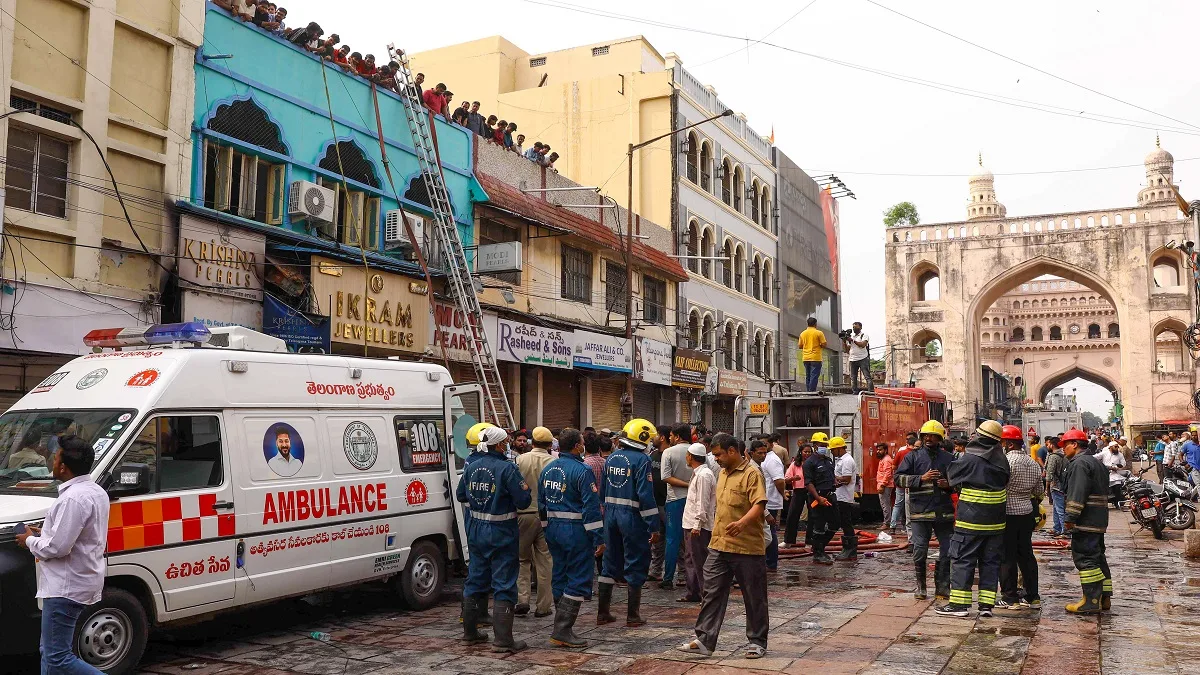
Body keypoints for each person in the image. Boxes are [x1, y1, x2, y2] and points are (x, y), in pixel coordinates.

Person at [15, 435, 109, 675]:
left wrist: (29, 540)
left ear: (63, 466)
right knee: (49, 653)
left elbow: (58, 548)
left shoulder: (73, 499)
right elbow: (77, 535)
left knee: (58, 658)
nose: (52, 462)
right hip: (79, 580)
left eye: (55, 457)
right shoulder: (95, 492)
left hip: (66, 587)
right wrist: (44, 532)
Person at [677, 433, 770, 660]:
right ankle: (705, 640)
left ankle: (757, 641)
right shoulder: (723, 474)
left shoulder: (752, 474)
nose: (715, 458)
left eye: (718, 454)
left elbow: (759, 505)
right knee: (711, 591)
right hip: (720, 544)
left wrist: (742, 523)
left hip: (746, 546)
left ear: (732, 451)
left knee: (753, 594)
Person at [456, 426, 532, 652]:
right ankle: (503, 640)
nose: (507, 445)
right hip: (501, 531)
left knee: (476, 579)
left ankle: (470, 634)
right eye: (506, 442)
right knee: (504, 583)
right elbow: (524, 501)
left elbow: (461, 495)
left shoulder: (472, 465)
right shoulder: (507, 469)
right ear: (499, 445)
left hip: (477, 530)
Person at [537, 428, 603, 648]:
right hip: (576, 532)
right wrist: (598, 539)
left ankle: (561, 626)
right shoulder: (582, 471)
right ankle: (562, 629)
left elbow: (541, 504)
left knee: (560, 575)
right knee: (578, 578)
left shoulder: (548, 469)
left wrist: (547, 530)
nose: (583, 444)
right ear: (577, 445)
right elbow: (591, 509)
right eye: (582, 442)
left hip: (554, 530)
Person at [937, 421, 1010, 619]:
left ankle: (959, 605)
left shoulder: (969, 459)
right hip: (996, 523)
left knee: (962, 560)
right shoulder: (1002, 460)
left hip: (970, 520)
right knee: (990, 562)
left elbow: (951, 477)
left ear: (979, 436)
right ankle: (986, 606)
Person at [597, 419, 661, 627]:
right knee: (636, 561)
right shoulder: (642, 460)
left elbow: (603, 492)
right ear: (642, 438)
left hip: (611, 516)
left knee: (609, 562)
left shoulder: (612, 457)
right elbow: (646, 496)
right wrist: (653, 525)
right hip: (632, 517)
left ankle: (603, 613)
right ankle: (633, 615)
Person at [895, 421, 956, 600]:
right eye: (926, 436)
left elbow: (959, 482)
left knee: (948, 549)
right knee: (920, 549)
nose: (929, 439)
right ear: (922, 437)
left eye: (933, 436)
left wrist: (948, 484)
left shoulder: (949, 459)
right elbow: (898, 479)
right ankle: (921, 587)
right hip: (920, 512)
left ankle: (943, 587)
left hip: (943, 513)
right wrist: (920, 478)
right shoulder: (912, 457)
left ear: (940, 438)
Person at [1059, 428, 1112, 613]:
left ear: (1074, 445)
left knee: (1086, 559)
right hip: (1098, 519)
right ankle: (1104, 598)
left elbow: (1077, 493)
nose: (1063, 449)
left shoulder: (1079, 464)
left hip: (1085, 520)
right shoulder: (1096, 463)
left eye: (1065, 445)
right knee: (1098, 558)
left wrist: (1070, 518)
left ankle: (1090, 601)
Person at [997, 425, 1044, 610]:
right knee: (1026, 555)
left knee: (1007, 556)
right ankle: (1032, 596)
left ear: (1008, 444)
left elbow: (1000, 486)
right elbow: (1039, 492)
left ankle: (1010, 598)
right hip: (1026, 514)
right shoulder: (1032, 463)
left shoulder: (1005, 462)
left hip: (1008, 514)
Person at [515, 427, 555, 618]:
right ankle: (544, 606)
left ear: (532, 442)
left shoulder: (520, 460)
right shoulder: (553, 462)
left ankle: (522, 600)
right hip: (547, 516)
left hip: (523, 514)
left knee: (522, 559)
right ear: (549, 445)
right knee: (545, 561)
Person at [681, 442, 716, 603]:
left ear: (691, 457)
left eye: (687, 455)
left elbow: (703, 503)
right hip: (690, 523)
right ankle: (693, 592)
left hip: (698, 526)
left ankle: (704, 594)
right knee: (690, 559)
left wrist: (698, 524)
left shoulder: (704, 475)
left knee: (700, 560)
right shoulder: (698, 473)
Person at [661, 424, 694, 590]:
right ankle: (693, 579)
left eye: (672, 435)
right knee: (692, 540)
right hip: (693, 501)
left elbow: (665, 477)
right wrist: (691, 485)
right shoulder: (697, 450)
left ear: (678, 436)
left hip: (674, 500)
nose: (670, 438)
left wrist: (685, 485)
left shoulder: (668, 452)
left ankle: (667, 578)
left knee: (672, 540)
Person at [749, 439, 786, 571]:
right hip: (762, 506)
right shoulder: (752, 469)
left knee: (768, 535)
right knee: (767, 536)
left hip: (767, 503)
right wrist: (766, 513)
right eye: (760, 453)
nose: (763, 456)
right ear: (752, 453)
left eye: (765, 453)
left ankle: (765, 563)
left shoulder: (762, 465)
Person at [802, 433, 838, 564]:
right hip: (817, 499)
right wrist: (818, 497)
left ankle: (820, 547)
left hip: (830, 496)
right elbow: (808, 483)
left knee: (835, 523)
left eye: (825, 445)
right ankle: (818, 553)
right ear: (815, 446)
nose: (824, 447)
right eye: (822, 445)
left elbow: (831, 475)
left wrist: (835, 482)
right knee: (819, 525)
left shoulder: (828, 460)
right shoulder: (809, 463)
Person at [829, 436, 859, 560]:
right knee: (844, 523)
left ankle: (850, 550)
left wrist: (833, 479)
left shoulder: (847, 461)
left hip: (844, 497)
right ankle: (847, 550)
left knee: (846, 523)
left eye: (833, 450)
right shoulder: (842, 459)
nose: (831, 452)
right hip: (841, 496)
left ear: (839, 448)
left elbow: (846, 479)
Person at [647, 431, 669, 583]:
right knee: (657, 539)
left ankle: (682, 574)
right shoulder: (652, 455)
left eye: (655, 435)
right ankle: (655, 570)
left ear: (662, 437)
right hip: (654, 504)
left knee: (677, 541)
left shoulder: (670, 454)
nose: (652, 438)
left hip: (668, 503)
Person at [784, 443, 812, 546]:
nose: (807, 454)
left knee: (812, 516)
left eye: (809, 452)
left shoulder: (813, 463)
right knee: (792, 515)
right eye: (805, 452)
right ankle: (788, 540)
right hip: (798, 491)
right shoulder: (795, 464)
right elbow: (786, 479)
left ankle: (810, 541)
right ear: (801, 452)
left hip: (811, 491)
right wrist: (793, 478)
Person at [892, 431, 918, 534]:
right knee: (910, 507)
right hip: (914, 484)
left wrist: (897, 478)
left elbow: (894, 467)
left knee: (899, 505)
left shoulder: (901, 451)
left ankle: (893, 526)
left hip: (902, 483)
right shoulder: (920, 453)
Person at [1044, 437, 1068, 536]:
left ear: (1052, 445)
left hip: (1055, 486)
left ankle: (1064, 530)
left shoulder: (1053, 457)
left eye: (1048, 444)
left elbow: (1049, 473)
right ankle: (1057, 527)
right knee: (1056, 508)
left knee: (1059, 509)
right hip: (1063, 485)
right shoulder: (1063, 455)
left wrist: (1046, 488)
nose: (1047, 446)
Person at [843, 321, 873, 394]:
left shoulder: (864, 335)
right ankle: (855, 391)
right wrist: (844, 341)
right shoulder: (852, 337)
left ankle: (871, 391)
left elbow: (863, 345)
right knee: (853, 377)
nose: (854, 328)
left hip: (863, 358)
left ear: (860, 327)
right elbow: (847, 350)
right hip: (853, 359)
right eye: (853, 327)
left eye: (856, 326)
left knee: (867, 376)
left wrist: (853, 341)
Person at [799, 317, 826, 392]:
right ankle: (811, 392)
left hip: (806, 358)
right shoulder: (819, 333)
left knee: (808, 376)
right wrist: (819, 345)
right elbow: (824, 344)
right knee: (814, 376)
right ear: (815, 324)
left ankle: (808, 392)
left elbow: (800, 346)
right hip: (816, 358)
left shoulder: (802, 333)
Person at [875, 443, 896, 533]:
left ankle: (887, 523)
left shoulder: (886, 460)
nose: (878, 451)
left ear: (885, 450)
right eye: (878, 450)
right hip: (884, 485)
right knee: (885, 504)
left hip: (885, 485)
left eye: (880, 450)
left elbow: (888, 474)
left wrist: (882, 485)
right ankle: (887, 522)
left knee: (885, 505)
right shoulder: (884, 459)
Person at [1097, 441, 1126, 505]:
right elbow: (1095, 457)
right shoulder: (1104, 453)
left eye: (1117, 447)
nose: (1117, 448)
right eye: (1115, 447)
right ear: (1110, 447)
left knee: (1117, 487)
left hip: (1115, 474)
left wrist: (1117, 466)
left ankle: (1117, 503)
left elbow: (1123, 464)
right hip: (1105, 474)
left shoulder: (1120, 455)